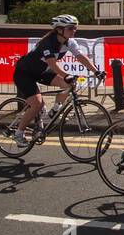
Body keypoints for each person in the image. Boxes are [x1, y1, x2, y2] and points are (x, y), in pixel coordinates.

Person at [11, 15, 105, 148]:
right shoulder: (47, 43)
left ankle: (54, 110)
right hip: (24, 74)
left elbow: (81, 57)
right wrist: (66, 74)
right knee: (37, 104)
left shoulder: (70, 42)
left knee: (69, 84)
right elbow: (52, 63)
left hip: (42, 72)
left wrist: (97, 71)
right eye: (71, 28)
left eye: (75, 28)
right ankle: (19, 133)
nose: (74, 31)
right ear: (59, 29)